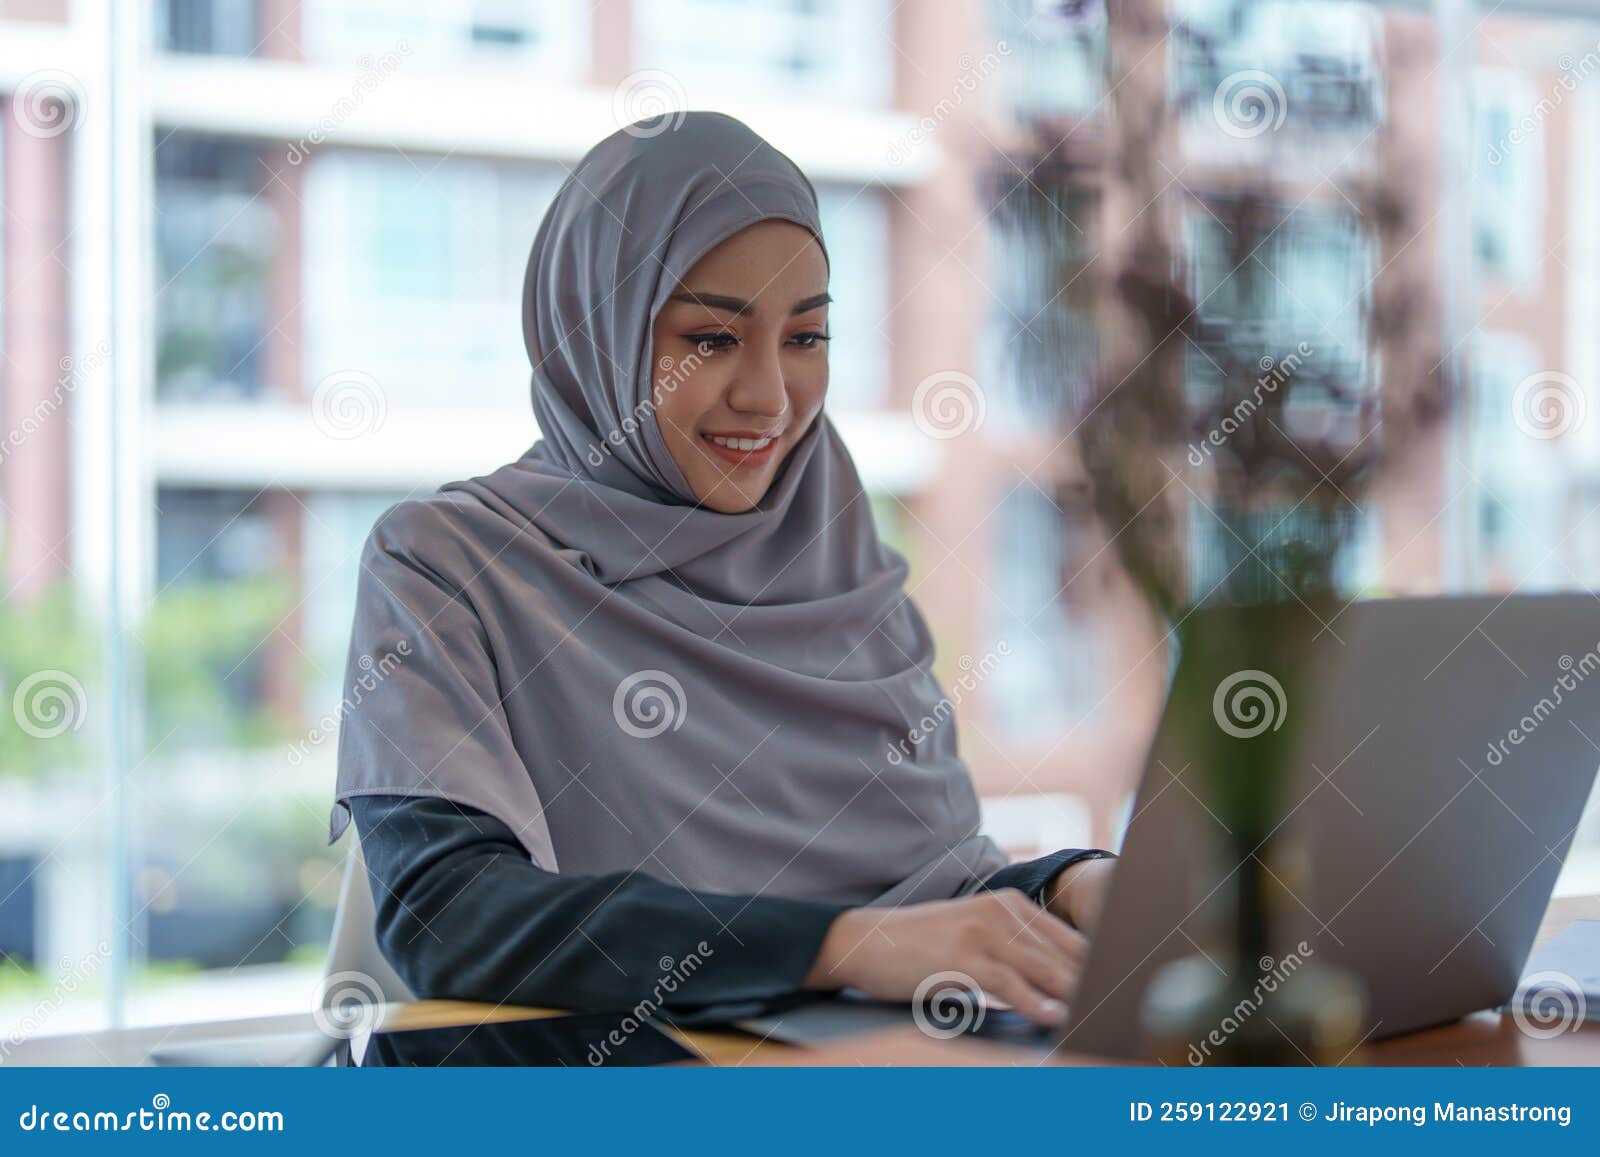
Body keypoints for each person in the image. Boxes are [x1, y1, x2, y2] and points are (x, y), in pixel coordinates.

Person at [330, 111, 1115, 1029]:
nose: (769, 398)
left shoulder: (830, 543)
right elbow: (451, 915)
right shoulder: (445, 561)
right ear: (596, 333)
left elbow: (921, 891)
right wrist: (848, 946)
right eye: (710, 340)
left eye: (806, 338)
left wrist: (1067, 887)